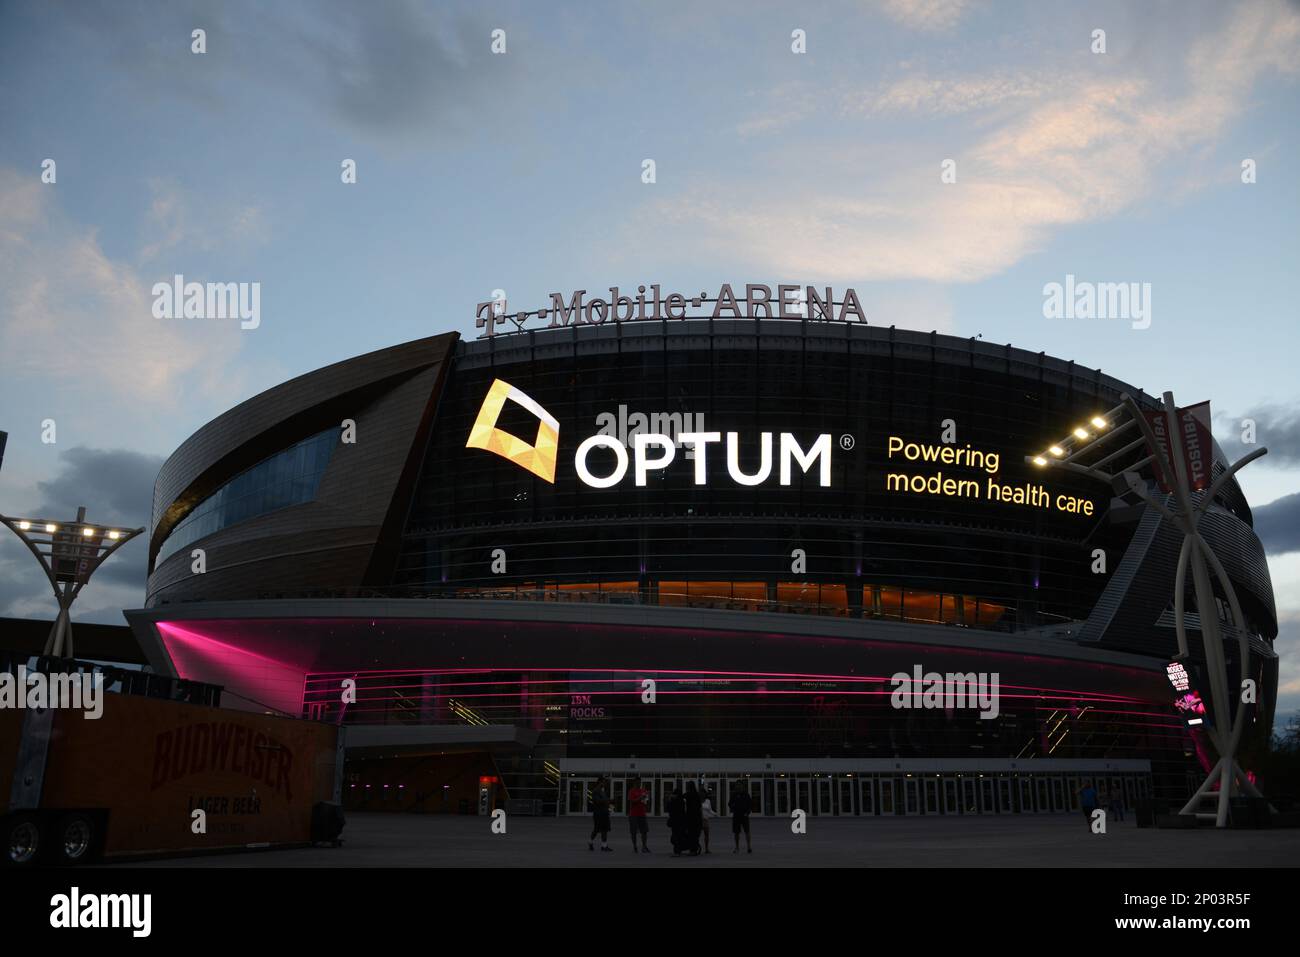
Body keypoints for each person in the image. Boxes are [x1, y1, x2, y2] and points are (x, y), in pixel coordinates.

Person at [589, 776, 612, 851]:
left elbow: (604, 800)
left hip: (604, 812)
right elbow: (597, 801)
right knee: (596, 829)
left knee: (604, 829)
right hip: (598, 813)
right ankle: (590, 842)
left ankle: (604, 846)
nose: (605, 783)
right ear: (600, 782)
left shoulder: (603, 791)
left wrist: (609, 801)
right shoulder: (596, 791)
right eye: (604, 782)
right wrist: (606, 800)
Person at [627, 777, 651, 853]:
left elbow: (645, 802)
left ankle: (644, 846)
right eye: (637, 782)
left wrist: (646, 799)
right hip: (633, 814)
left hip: (642, 814)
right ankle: (635, 846)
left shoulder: (643, 791)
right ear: (634, 783)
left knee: (644, 831)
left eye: (640, 782)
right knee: (633, 832)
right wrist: (640, 797)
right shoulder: (631, 791)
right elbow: (632, 801)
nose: (639, 784)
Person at [729, 782, 753, 853]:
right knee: (736, 832)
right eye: (737, 785)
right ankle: (737, 847)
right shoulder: (734, 794)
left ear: (742, 786)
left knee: (747, 831)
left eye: (740, 785)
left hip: (744, 816)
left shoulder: (746, 795)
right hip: (736, 815)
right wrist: (733, 808)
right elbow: (729, 803)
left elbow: (750, 804)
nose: (738, 787)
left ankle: (749, 847)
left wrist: (747, 813)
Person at [666, 786, 689, 856]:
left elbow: (669, 809)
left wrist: (670, 800)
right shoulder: (682, 800)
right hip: (681, 820)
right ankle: (679, 849)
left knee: (675, 835)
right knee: (679, 835)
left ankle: (677, 850)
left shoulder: (674, 801)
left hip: (675, 821)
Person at [684, 781, 703, 856]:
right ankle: (694, 848)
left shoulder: (688, 795)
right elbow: (699, 806)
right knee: (695, 834)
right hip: (697, 817)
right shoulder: (697, 795)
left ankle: (693, 849)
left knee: (691, 834)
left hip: (691, 817)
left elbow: (681, 797)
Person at [700, 786, 719, 853]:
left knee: (706, 834)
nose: (702, 794)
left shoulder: (708, 801)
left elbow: (710, 810)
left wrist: (715, 814)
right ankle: (696, 847)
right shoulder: (697, 801)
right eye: (701, 793)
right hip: (699, 820)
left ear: (705, 794)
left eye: (703, 793)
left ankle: (706, 848)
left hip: (705, 820)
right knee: (697, 835)